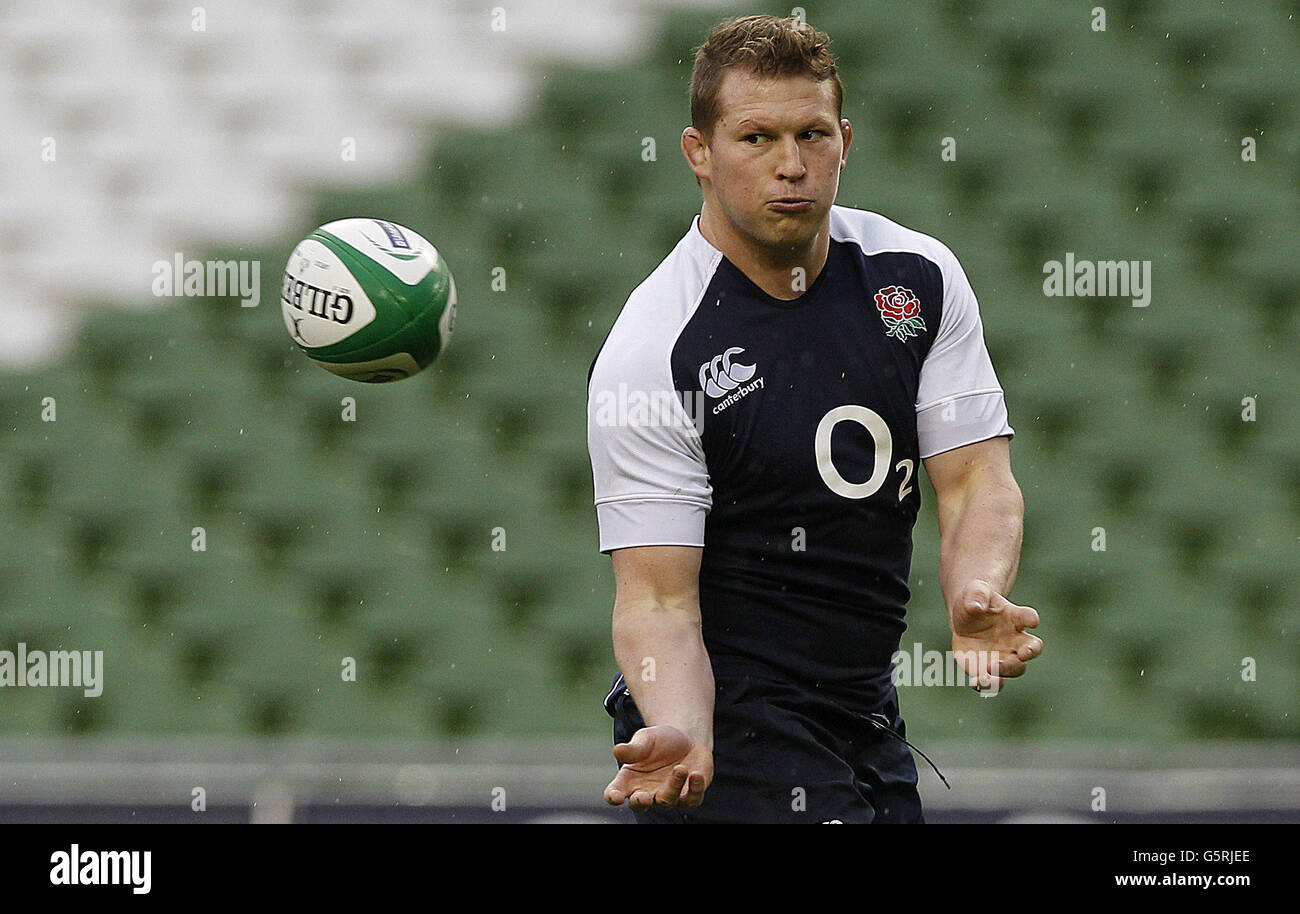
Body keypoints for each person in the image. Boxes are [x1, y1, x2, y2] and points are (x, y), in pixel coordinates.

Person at [585, 14, 1042, 823]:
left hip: (863, 711)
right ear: (698, 153)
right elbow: (657, 602)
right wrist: (682, 726)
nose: (790, 166)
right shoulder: (655, 352)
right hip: (734, 716)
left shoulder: (918, 278)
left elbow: (976, 483)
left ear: (846, 140)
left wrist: (976, 586)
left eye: (812, 134)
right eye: (756, 138)